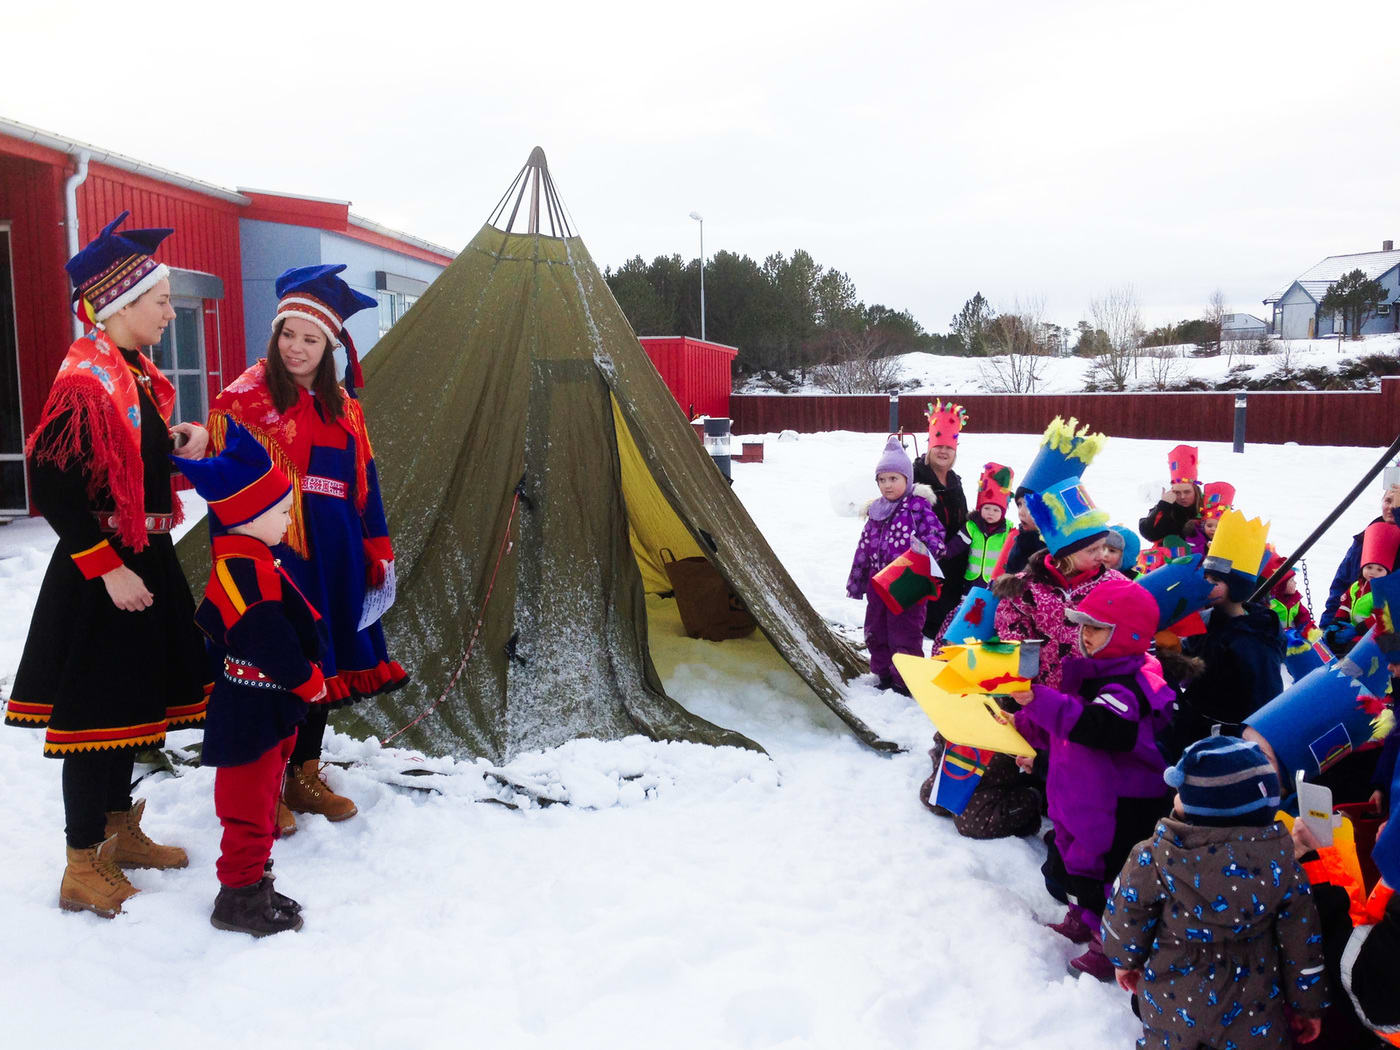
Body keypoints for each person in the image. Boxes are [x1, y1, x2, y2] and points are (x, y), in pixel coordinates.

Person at [3, 213, 209, 919]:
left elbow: (127, 463)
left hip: (141, 556)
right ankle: (81, 863)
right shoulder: (86, 381)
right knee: (96, 719)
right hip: (104, 573)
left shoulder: (130, 376)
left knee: (129, 709)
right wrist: (107, 569)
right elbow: (54, 482)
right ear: (120, 307)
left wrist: (177, 442)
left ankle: (119, 832)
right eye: (160, 300)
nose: (170, 310)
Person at [208, 264, 407, 829]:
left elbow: (363, 483)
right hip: (275, 556)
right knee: (277, 665)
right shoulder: (240, 402)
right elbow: (225, 495)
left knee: (325, 660)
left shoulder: (344, 408)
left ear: (330, 347)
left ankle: (304, 773)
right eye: (287, 334)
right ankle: (265, 781)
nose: (296, 347)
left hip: (337, 553)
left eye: (310, 338)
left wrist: (376, 546)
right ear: (274, 336)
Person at [176, 423, 329, 937]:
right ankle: (237, 897)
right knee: (247, 807)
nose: (290, 520)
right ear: (248, 517)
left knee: (264, 801)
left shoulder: (254, 559)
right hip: (250, 715)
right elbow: (267, 640)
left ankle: (256, 881)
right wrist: (307, 680)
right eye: (283, 512)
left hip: (267, 709)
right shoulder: (243, 573)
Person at [1102, 736, 1327, 1050]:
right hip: (1255, 1006)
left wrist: (1123, 960)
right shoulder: (1285, 867)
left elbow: (1126, 915)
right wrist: (1307, 1004)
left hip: (1174, 999)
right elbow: (1302, 944)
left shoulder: (1151, 857)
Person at [1008, 579, 1175, 980]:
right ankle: (1081, 916)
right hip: (1077, 797)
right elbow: (1064, 726)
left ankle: (1110, 942)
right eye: (1081, 626)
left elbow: (1099, 727)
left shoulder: (1130, 685)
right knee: (1074, 860)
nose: (1084, 635)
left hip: (1117, 807)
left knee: (1106, 875)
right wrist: (1022, 724)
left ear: (1129, 634)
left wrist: (1039, 700)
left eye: (1096, 627)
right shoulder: (1089, 675)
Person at [1167, 511, 1284, 756]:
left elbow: (1266, 694)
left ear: (1237, 587)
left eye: (1215, 580)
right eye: (1206, 576)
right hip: (1195, 724)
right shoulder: (1206, 620)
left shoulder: (1255, 639)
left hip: (1229, 736)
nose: (1206, 584)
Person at [993, 474, 1124, 690]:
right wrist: (1024, 676)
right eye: (1092, 550)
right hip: (1040, 689)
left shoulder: (1113, 585)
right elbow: (1014, 626)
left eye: (1104, 546)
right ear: (1066, 555)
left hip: (1090, 688)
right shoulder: (1028, 587)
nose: (1102, 555)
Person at [847, 436, 946, 694]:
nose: (887, 485)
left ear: (907, 479)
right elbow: (864, 548)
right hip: (878, 583)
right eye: (882, 480)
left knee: (905, 631)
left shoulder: (917, 507)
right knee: (876, 628)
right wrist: (857, 582)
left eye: (894, 479)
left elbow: (935, 534)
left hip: (907, 582)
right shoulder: (876, 511)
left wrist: (928, 552)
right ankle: (882, 672)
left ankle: (906, 679)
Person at [913, 401, 969, 639]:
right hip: (926, 570)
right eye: (939, 446)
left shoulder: (955, 482)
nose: (944, 451)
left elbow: (964, 520)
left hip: (955, 573)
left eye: (949, 447)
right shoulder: (914, 478)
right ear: (930, 446)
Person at [1319, 484, 1400, 632]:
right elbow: (1341, 584)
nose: (1391, 507)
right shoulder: (1364, 540)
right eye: (1388, 501)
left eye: (1398, 502)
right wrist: (1328, 625)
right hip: (1352, 630)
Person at [1332, 521, 1400, 643]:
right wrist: (1336, 622)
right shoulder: (1356, 586)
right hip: (1354, 628)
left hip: (1371, 637)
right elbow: (1345, 604)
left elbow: (1379, 617)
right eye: (1369, 568)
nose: (1373, 572)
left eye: (1379, 570)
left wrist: (1358, 631)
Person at [963, 463, 1015, 588]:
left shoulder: (1008, 530)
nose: (991, 513)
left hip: (994, 582)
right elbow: (956, 544)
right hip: (971, 580)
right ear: (980, 509)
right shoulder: (972, 526)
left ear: (1002, 513)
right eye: (987, 508)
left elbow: (1013, 554)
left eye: (996, 510)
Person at [1139, 443, 1202, 542]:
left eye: (1187, 492)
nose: (1182, 497)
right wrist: (1164, 505)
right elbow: (1149, 533)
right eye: (1177, 492)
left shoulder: (1207, 508)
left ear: (1196, 491)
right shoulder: (1167, 508)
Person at [1184, 480, 1234, 556]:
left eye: (1218, 527)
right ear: (1203, 525)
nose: (1213, 529)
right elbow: (1190, 552)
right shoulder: (1194, 535)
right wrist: (1205, 549)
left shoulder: (1227, 539)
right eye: (1209, 526)